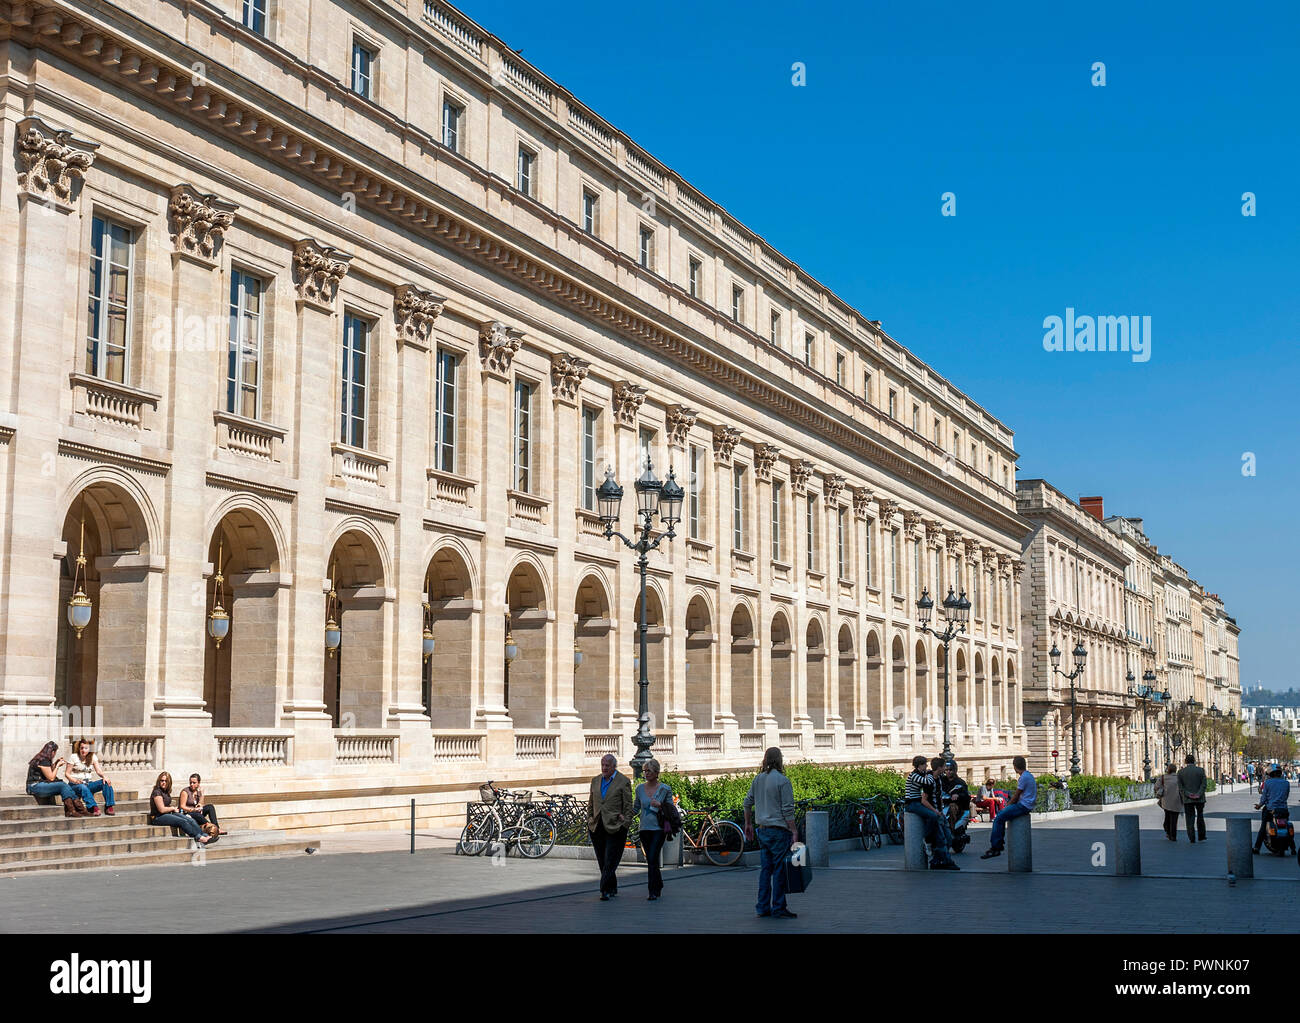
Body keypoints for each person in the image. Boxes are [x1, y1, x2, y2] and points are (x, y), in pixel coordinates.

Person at [742, 747, 800, 917]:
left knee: (765, 871)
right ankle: (779, 907)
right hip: (779, 831)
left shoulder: (758, 779)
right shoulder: (783, 781)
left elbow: (747, 803)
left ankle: (762, 907)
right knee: (780, 870)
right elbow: (787, 810)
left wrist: (748, 824)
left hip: (763, 831)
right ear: (780, 760)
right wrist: (794, 830)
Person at [587, 754, 632, 901]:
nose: (604, 768)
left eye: (607, 765)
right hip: (597, 825)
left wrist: (625, 823)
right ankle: (612, 886)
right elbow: (591, 803)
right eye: (603, 765)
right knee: (602, 859)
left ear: (614, 766)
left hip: (615, 826)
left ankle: (604, 889)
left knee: (610, 859)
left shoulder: (623, 781)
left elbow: (628, 805)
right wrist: (589, 819)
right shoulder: (595, 781)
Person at [903, 754, 958, 870]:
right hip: (912, 803)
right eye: (925, 765)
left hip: (921, 803)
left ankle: (937, 860)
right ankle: (927, 840)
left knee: (946, 837)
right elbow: (927, 783)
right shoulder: (915, 775)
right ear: (920, 765)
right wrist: (931, 774)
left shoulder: (927, 775)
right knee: (934, 819)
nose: (926, 766)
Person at [981, 756, 1036, 859]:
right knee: (1002, 816)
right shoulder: (1029, 776)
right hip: (1026, 805)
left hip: (1023, 806)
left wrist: (1007, 806)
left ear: (1015, 766)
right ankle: (998, 845)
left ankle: (996, 847)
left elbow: (1016, 796)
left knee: (999, 818)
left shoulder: (1023, 777)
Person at [634, 758, 672, 901]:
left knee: (652, 857)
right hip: (644, 828)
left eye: (649, 771)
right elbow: (636, 807)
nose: (646, 773)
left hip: (658, 828)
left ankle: (652, 891)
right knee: (651, 859)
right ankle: (659, 884)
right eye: (644, 771)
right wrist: (624, 817)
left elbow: (671, 808)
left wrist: (660, 805)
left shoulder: (665, 789)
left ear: (656, 772)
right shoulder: (639, 789)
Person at [148, 771, 217, 846]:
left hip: (167, 814)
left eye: (166, 781)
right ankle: (199, 837)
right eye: (162, 780)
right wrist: (172, 808)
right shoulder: (157, 792)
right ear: (159, 781)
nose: (164, 782)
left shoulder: (165, 791)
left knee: (191, 820)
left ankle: (204, 835)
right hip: (158, 817)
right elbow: (161, 809)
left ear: (169, 782)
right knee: (183, 821)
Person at [25, 742, 93, 817]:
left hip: (38, 785)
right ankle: (77, 810)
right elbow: (51, 778)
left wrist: (56, 763)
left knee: (64, 785)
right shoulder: (43, 760)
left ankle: (75, 810)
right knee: (62, 785)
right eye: (55, 752)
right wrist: (57, 766)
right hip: (34, 786)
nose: (54, 754)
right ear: (53, 752)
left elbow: (48, 771)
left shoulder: (42, 758)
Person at [64, 738, 115, 816]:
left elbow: (98, 771)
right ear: (79, 748)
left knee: (106, 782)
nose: (83, 750)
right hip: (75, 785)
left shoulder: (93, 757)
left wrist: (105, 777)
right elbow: (67, 774)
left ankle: (109, 806)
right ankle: (93, 807)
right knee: (82, 787)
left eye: (86, 748)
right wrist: (75, 781)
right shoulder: (73, 757)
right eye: (81, 748)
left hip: (88, 784)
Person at [1253, 764, 1291, 855]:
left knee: (1263, 827)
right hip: (1283, 809)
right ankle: (1293, 847)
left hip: (1271, 809)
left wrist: (1259, 805)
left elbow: (1264, 797)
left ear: (1270, 773)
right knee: (1286, 825)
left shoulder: (1268, 783)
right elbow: (1286, 796)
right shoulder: (1286, 783)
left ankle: (1257, 847)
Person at [1177, 754, 1207, 843]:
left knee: (1189, 818)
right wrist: (1198, 794)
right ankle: (1201, 836)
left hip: (1187, 799)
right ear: (1194, 761)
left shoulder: (1181, 772)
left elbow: (1180, 787)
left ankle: (1191, 837)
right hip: (1200, 798)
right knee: (1200, 816)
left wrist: (1188, 794)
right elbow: (1204, 784)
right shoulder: (1201, 770)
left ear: (1186, 761)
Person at [1154, 762, 1183, 842]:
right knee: (1174, 819)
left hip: (1166, 801)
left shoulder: (1163, 777)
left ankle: (1168, 831)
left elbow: (1156, 787)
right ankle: (1173, 836)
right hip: (1177, 800)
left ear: (1168, 769)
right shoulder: (1179, 778)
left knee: (1167, 817)